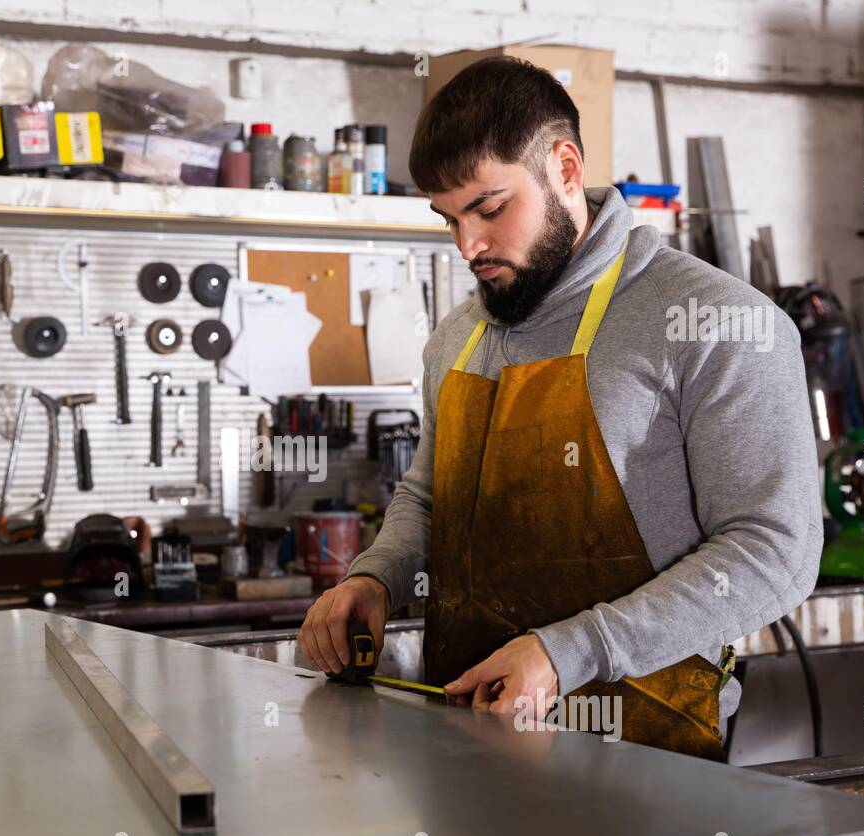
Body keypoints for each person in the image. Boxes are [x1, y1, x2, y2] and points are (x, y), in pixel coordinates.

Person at [297, 56, 822, 759]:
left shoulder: (717, 322)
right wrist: (377, 573)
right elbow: (430, 496)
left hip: (646, 760)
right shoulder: (458, 336)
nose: (469, 246)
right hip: (466, 738)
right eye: (449, 219)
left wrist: (566, 652)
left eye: (489, 207)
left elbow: (774, 553)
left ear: (566, 170)